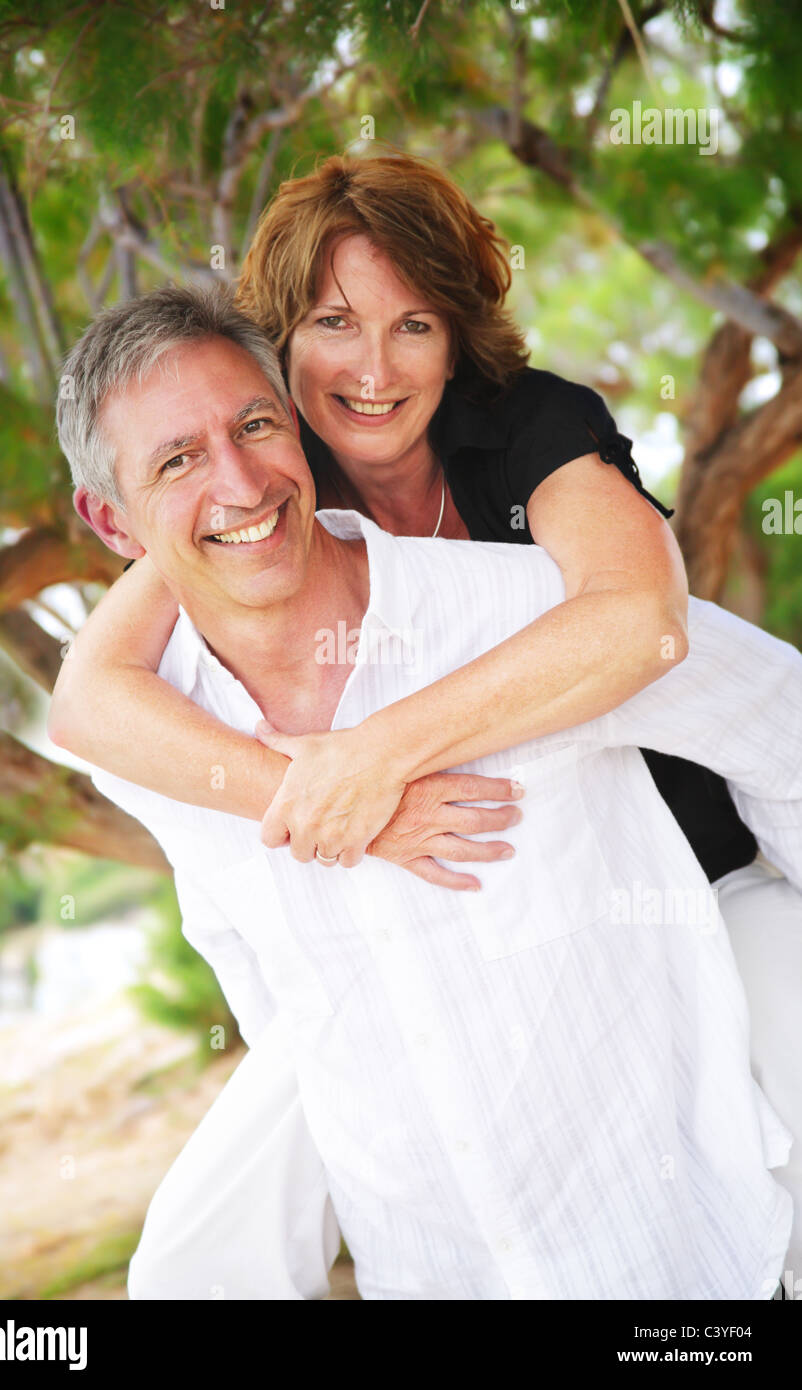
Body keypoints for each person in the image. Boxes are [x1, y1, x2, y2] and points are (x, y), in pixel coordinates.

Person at [47, 152, 802, 1292]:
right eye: (333, 323)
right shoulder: (255, 478)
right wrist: (331, 805)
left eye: (414, 325)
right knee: (201, 1249)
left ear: (456, 337)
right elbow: (87, 700)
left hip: (684, 868)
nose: (372, 367)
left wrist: (378, 756)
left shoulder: (526, 430)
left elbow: (645, 621)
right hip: (416, 960)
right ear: (282, 343)